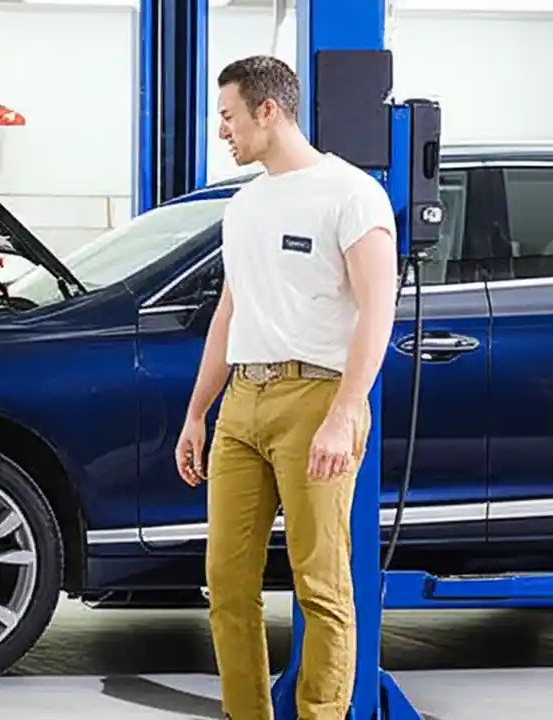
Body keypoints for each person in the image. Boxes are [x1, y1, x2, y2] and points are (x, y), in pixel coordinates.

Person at [174, 57, 399, 720]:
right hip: (243, 402)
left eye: (228, 116)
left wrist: (344, 413)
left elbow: (377, 306)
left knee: (320, 584)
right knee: (227, 584)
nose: (224, 131)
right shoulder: (244, 205)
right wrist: (197, 413)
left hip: (316, 399)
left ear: (267, 111)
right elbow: (229, 312)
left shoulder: (350, 194)